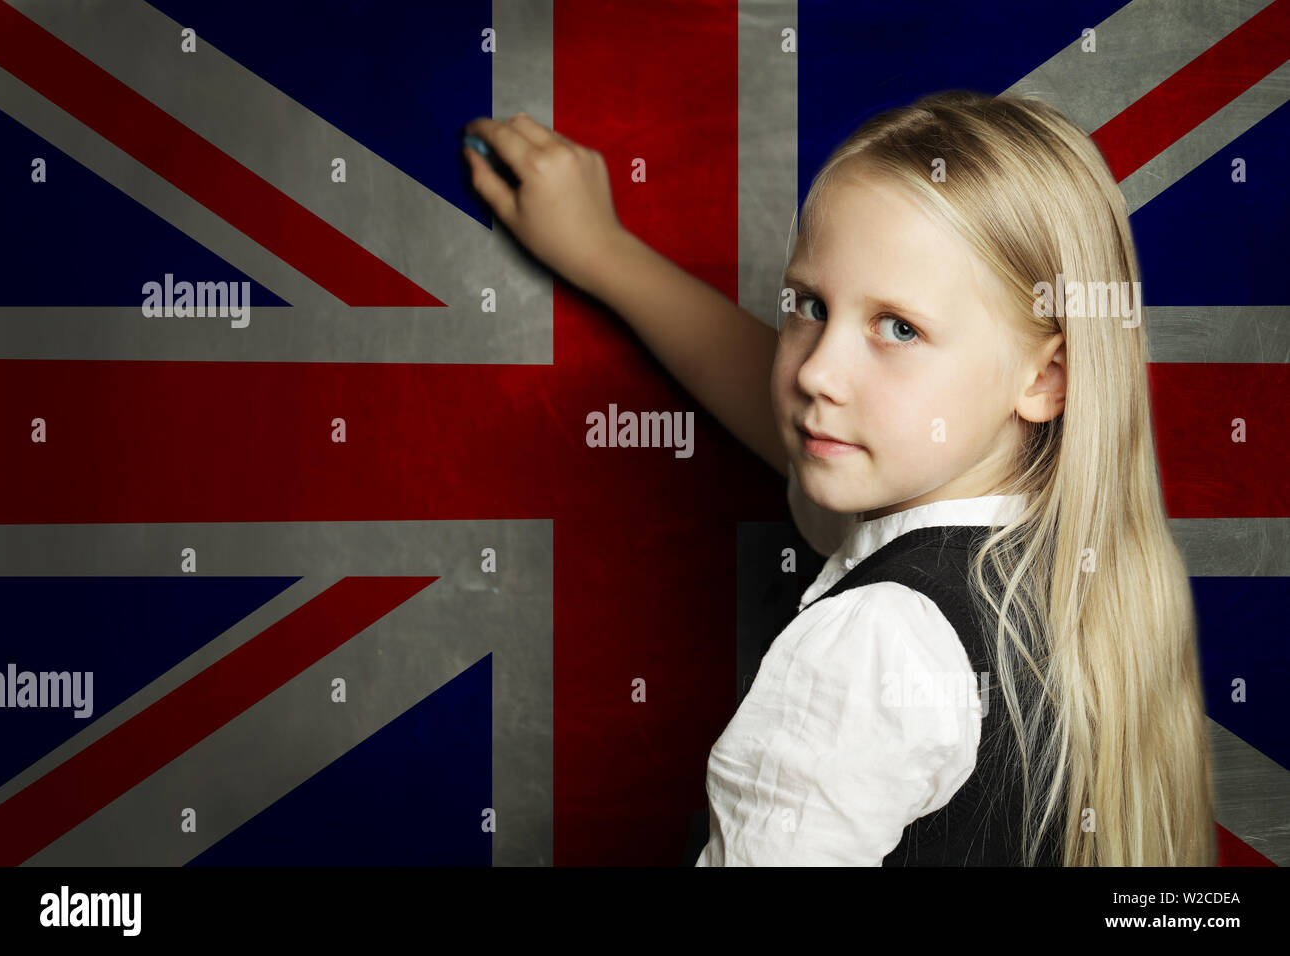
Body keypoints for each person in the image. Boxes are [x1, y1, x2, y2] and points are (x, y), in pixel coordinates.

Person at [462, 90, 1216, 866]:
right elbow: (786, 405)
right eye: (811, 305)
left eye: (898, 328)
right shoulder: (1076, 567)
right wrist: (602, 252)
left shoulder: (878, 641)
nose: (819, 372)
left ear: (1046, 377)